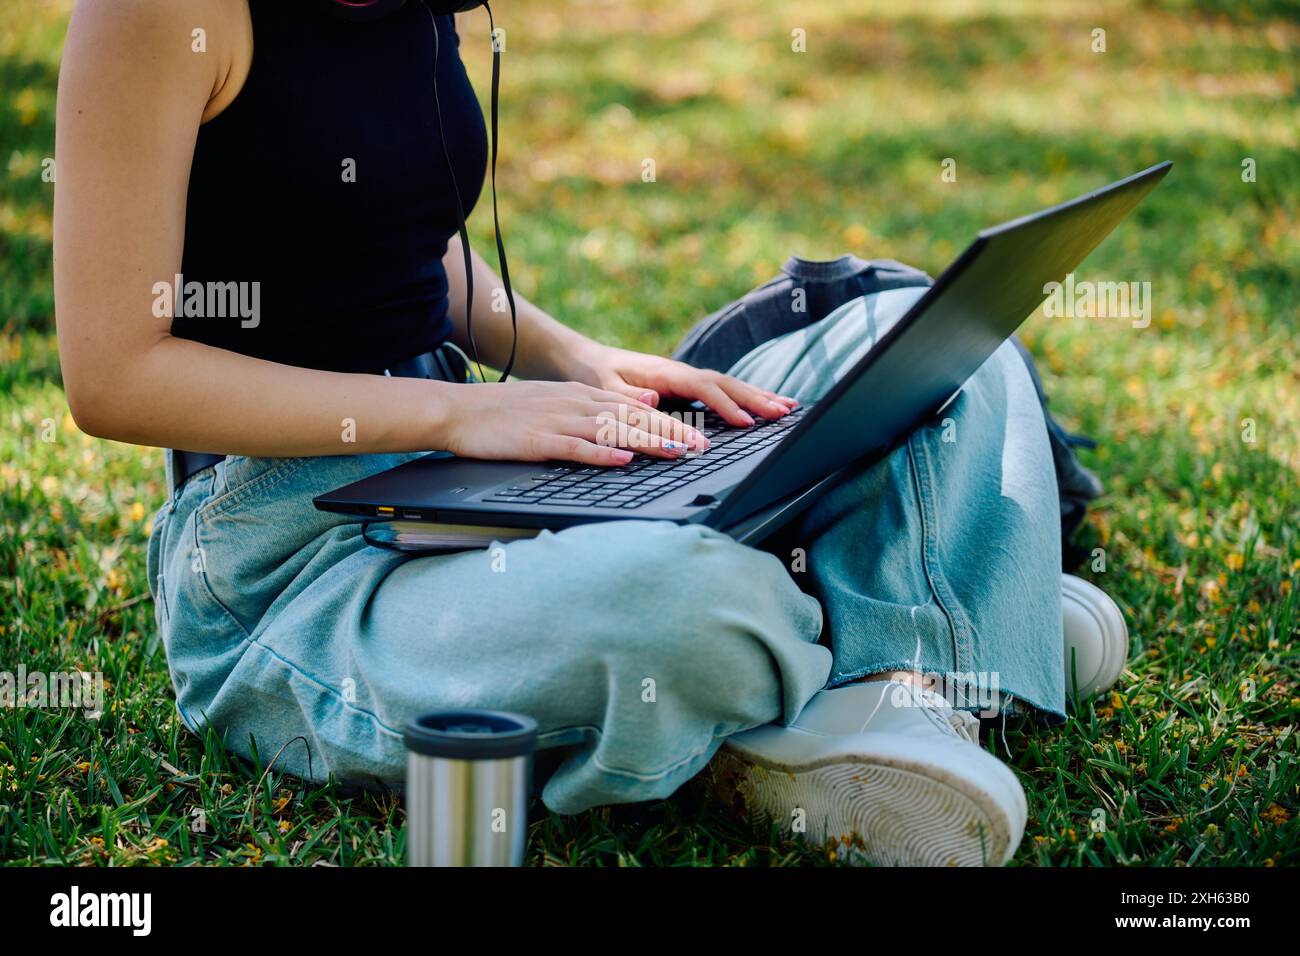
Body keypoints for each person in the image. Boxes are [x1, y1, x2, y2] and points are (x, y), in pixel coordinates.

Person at [53, 0, 1127, 866]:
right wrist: (459, 411)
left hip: (479, 461)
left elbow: (390, 247)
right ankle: (940, 622)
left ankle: (887, 686)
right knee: (681, 605)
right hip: (288, 545)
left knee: (922, 341)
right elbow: (114, 373)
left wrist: (571, 360)